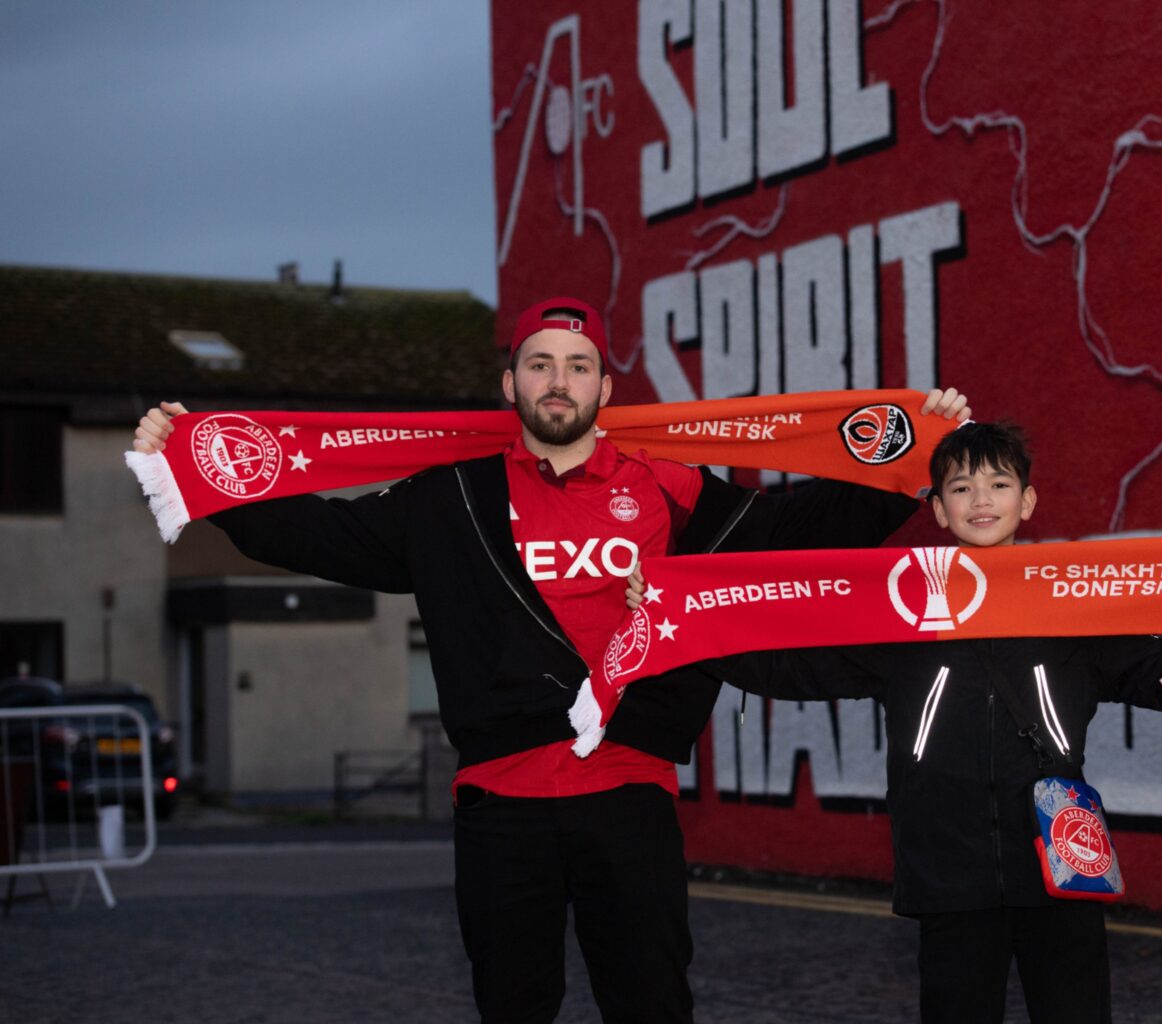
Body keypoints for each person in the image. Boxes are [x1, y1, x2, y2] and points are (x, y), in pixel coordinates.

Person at [131, 295, 970, 1024]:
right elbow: (326, 534)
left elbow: (789, 534)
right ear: (511, 385)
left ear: (605, 388)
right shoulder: (453, 496)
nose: (558, 380)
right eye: (539, 364)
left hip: (630, 790)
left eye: (577, 365)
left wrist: (917, 457)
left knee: (651, 1003)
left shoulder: (669, 487)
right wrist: (197, 473)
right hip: (499, 804)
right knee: (513, 1005)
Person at [626, 421, 1162, 1024]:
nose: (981, 499)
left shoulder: (1073, 608)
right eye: (961, 487)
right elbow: (796, 666)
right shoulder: (899, 618)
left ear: (1027, 501)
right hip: (947, 877)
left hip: (1063, 869)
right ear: (938, 509)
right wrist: (683, 621)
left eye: (999, 484)